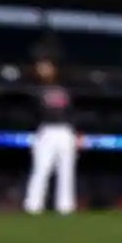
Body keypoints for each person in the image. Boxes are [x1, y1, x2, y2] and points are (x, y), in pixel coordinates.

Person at [23, 58, 78, 215]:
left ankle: (66, 207)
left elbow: (71, 111)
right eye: (41, 68)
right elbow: (33, 111)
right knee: (41, 168)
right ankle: (33, 206)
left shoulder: (64, 88)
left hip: (65, 130)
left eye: (47, 68)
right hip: (46, 129)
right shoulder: (35, 89)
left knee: (66, 170)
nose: (45, 71)